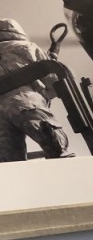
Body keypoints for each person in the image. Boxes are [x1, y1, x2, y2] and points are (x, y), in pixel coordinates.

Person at [0, 19, 68, 163]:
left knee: (10, 163)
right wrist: (46, 93)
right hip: (27, 103)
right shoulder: (27, 47)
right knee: (57, 147)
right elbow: (53, 82)